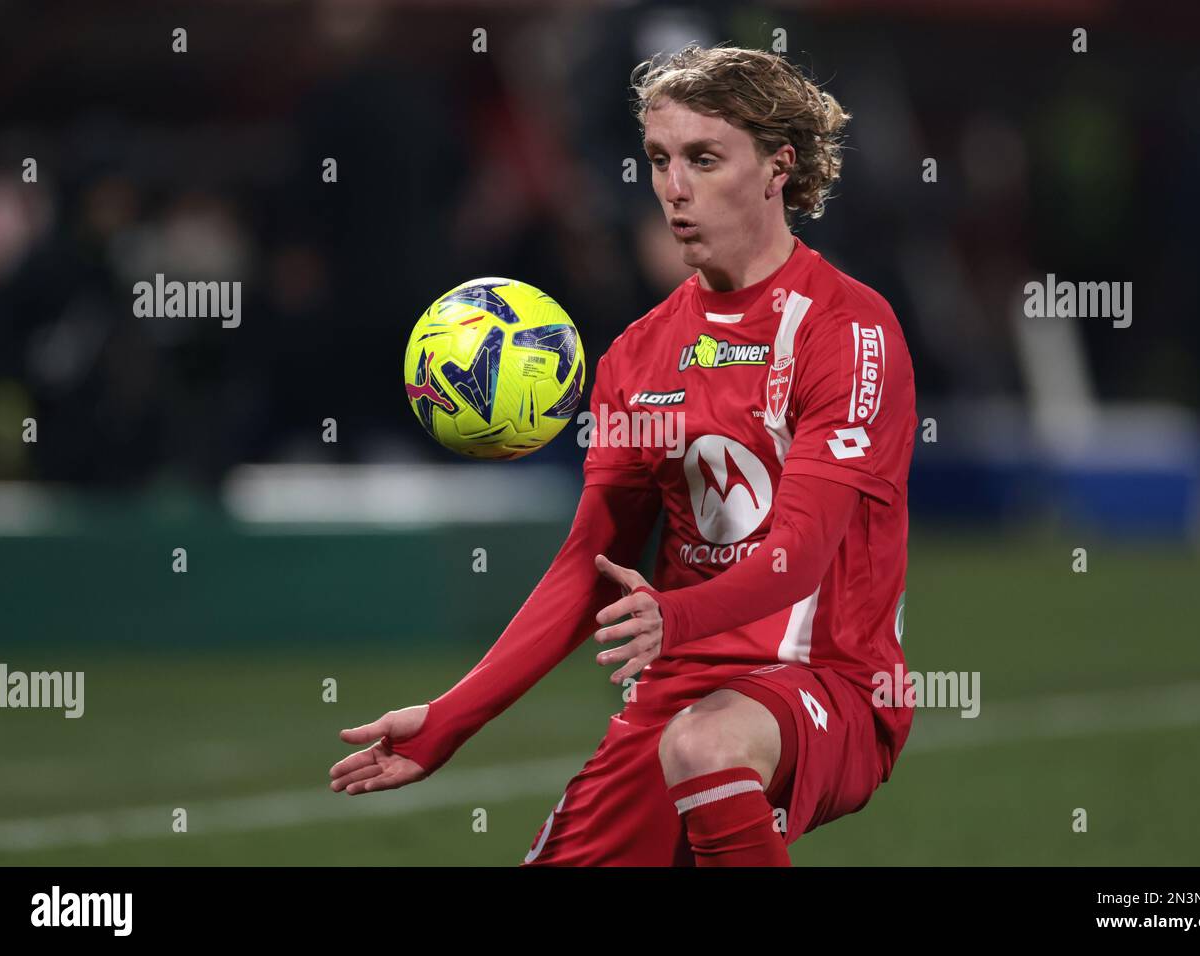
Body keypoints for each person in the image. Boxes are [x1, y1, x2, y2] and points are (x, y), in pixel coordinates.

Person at [329, 43, 918, 867]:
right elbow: (586, 564)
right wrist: (450, 718)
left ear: (777, 167)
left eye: (704, 159)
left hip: (829, 685)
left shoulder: (847, 331)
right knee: (684, 746)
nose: (674, 188)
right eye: (659, 160)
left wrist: (672, 616)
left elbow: (799, 558)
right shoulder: (638, 357)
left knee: (704, 750)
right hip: (675, 695)